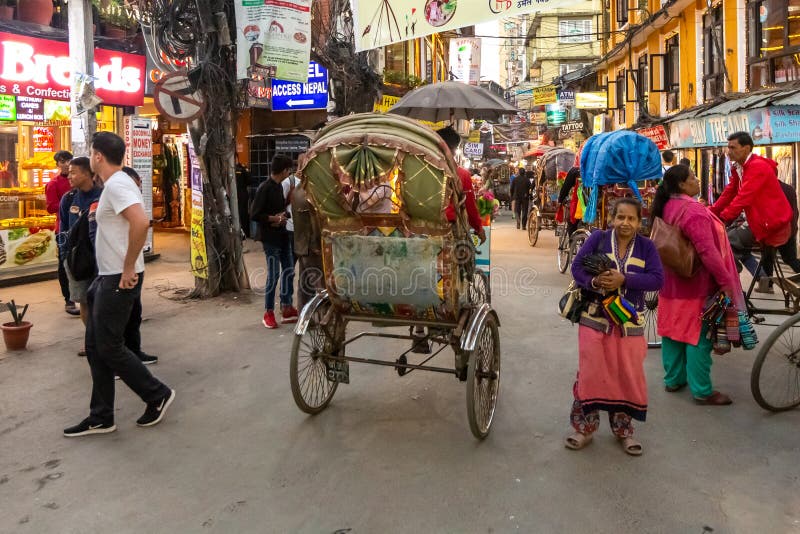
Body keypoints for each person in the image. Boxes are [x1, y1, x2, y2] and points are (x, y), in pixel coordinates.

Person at [64, 132, 174, 437]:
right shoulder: (113, 184)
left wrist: (128, 266)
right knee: (95, 346)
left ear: (98, 156)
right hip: (106, 276)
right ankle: (101, 416)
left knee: (110, 346)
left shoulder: (118, 184)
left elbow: (141, 222)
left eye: (91, 152)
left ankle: (156, 394)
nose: (89, 156)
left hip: (118, 278)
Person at [566, 198, 664, 456]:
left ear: (639, 221)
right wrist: (595, 281)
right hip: (594, 318)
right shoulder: (597, 239)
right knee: (590, 371)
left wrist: (625, 279)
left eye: (631, 218)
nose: (625, 223)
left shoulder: (646, 247)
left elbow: (657, 279)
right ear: (611, 219)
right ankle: (584, 428)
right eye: (620, 217)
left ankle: (624, 431)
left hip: (629, 323)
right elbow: (577, 268)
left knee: (626, 374)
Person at [652, 165, 742, 405]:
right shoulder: (693, 210)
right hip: (694, 286)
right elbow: (707, 251)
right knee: (697, 339)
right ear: (681, 184)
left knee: (672, 333)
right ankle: (702, 390)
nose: (697, 179)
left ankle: (673, 380)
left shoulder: (665, 206)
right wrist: (725, 282)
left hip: (669, 283)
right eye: (693, 176)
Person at [710, 132, 792, 289]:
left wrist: (724, 218)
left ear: (746, 148)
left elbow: (742, 197)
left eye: (733, 147)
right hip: (755, 218)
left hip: (769, 221)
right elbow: (729, 192)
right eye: (728, 147)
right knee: (731, 242)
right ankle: (754, 281)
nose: (729, 152)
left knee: (727, 244)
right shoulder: (739, 167)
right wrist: (712, 212)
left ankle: (731, 286)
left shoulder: (757, 167)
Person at [59, 157, 103, 356]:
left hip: (101, 258)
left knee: (101, 302)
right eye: (69, 172)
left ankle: (107, 342)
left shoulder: (103, 196)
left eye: (74, 172)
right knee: (83, 301)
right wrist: (64, 256)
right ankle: (91, 341)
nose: (69, 176)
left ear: (88, 173)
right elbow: (63, 229)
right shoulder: (68, 199)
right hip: (77, 260)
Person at [250, 154, 299, 328]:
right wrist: (273, 219)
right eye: (289, 170)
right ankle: (268, 312)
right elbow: (255, 214)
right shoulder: (264, 188)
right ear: (285, 170)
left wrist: (284, 215)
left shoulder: (280, 187)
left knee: (289, 271)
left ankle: (286, 306)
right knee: (274, 275)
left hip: (283, 236)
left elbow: (281, 210)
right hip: (270, 239)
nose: (290, 173)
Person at [120, 166, 158, 366]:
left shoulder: (131, 200)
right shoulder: (114, 196)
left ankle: (134, 352)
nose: (138, 189)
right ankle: (120, 362)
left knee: (134, 313)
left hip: (136, 266)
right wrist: (127, 267)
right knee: (121, 317)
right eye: (136, 185)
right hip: (119, 269)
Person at [435, 126, 486, 242]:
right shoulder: (461, 174)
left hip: (422, 228)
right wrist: (479, 228)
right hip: (450, 229)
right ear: (453, 149)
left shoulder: (424, 169)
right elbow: (470, 206)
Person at [47, 150, 79, 316]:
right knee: (64, 263)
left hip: (80, 226)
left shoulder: (79, 180)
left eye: (68, 160)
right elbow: (51, 207)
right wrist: (68, 202)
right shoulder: (53, 184)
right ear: (57, 164)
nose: (66, 163)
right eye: (62, 161)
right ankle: (68, 299)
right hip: (63, 229)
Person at [291, 183, 323, 310]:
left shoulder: (297, 191)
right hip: (311, 245)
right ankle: (322, 316)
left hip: (300, 244)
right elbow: (314, 224)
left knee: (304, 286)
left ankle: (303, 319)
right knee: (320, 286)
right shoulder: (311, 194)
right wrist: (317, 244)